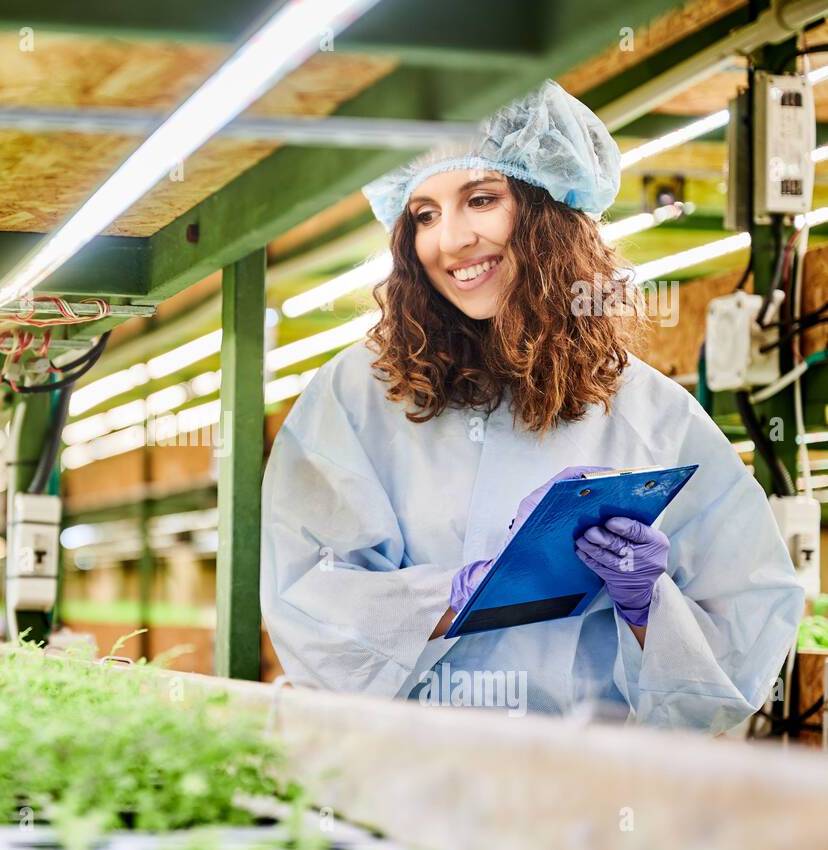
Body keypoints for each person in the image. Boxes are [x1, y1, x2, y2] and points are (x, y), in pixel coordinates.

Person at [259, 80, 803, 733]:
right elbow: (305, 595)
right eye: (425, 214)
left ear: (549, 210)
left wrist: (646, 605)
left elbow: (744, 629)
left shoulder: (647, 411)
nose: (451, 238)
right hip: (406, 772)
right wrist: (456, 597)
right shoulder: (358, 395)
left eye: (481, 199)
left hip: (583, 791)